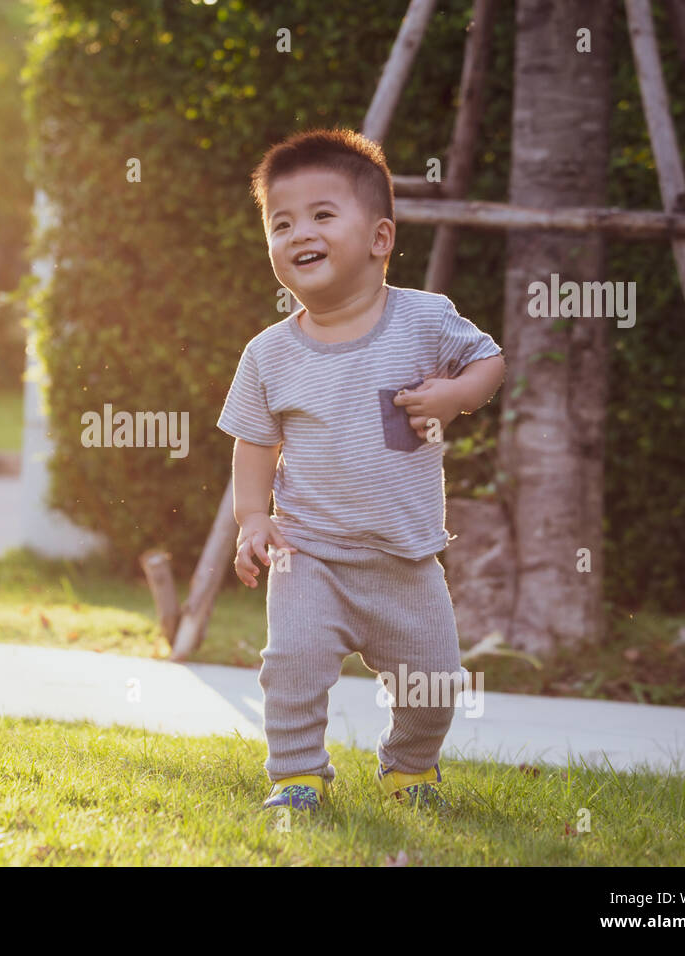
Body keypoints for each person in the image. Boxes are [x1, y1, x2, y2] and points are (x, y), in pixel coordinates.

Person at [216, 127, 506, 813]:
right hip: (308, 553)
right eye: (281, 223)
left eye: (321, 215)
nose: (298, 233)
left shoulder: (425, 319)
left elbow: (489, 360)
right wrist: (253, 519)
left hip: (407, 560)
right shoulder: (269, 355)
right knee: (290, 667)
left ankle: (410, 768)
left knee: (435, 680)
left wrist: (458, 395)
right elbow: (253, 444)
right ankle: (296, 775)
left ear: (380, 238)